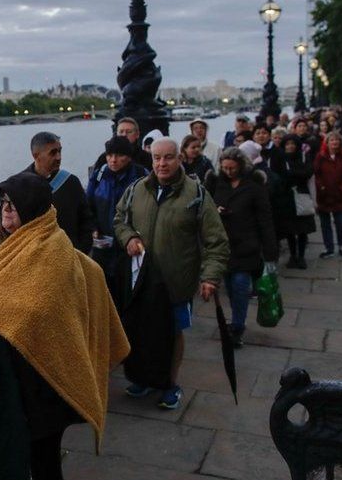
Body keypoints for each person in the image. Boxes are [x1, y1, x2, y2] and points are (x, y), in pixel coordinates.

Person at [0, 172, 129, 480]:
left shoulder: (51, 247)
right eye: (3, 203)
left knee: (39, 442)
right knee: (20, 441)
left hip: (41, 371)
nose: (6, 211)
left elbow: (38, 307)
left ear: (33, 209)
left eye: (14, 205)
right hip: (0, 367)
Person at [113, 138, 229, 410]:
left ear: (179, 159)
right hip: (142, 281)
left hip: (175, 282)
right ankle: (143, 378)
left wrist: (210, 277)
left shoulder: (196, 195)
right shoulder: (136, 190)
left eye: (168, 157)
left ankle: (169, 384)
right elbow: (120, 219)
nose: (161, 164)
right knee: (141, 331)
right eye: (156, 158)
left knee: (173, 332)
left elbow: (216, 241)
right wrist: (128, 237)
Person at [205, 149, 279, 347]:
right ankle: (237, 319)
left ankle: (238, 326)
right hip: (223, 246)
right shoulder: (215, 183)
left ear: (240, 166)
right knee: (229, 286)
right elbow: (205, 208)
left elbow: (265, 219)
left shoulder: (254, 186)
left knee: (239, 285)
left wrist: (270, 252)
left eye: (232, 168)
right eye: (225, 167)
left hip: (247, 245)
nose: (228, 171)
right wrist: (216, 210)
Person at [86, 135, 148, 290]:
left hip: (130, 243)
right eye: (110, 155)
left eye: (119, 155)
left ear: (128, 156)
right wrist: (93, 227)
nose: (113, 160)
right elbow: (88, 204)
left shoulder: (141, 176)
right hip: (104, 242)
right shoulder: (100, 175)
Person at [24, 131, 96, 253]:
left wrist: (81, 251)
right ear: (36, 155)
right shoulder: (20, 186)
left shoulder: (71, 182)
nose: (59, 157)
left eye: (59, 151)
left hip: (70, 256)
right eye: (53, 153)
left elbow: (86, 220)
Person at [270, 135, 317, 269]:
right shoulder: (280, 158)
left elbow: (307, 172)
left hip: (300, 196)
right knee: (289, 230)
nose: (290, 147)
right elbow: (277, 176)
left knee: (302, 230)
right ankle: (293, 255)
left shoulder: (302, 157)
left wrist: (292, 173)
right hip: (286, 198)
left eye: (292, 144)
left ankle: (301, 256)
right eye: (287, 144)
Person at [313, 131, 342, 258]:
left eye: (336, 140)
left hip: (339, 195)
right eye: (332, 140)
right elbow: (316, 173)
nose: (334, 142)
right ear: (326, 143)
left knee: (340, 222)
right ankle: (329, 248)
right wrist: (320, 186)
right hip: (324, 195)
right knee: (325, 223)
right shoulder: (320, 156)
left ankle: (341, 244)